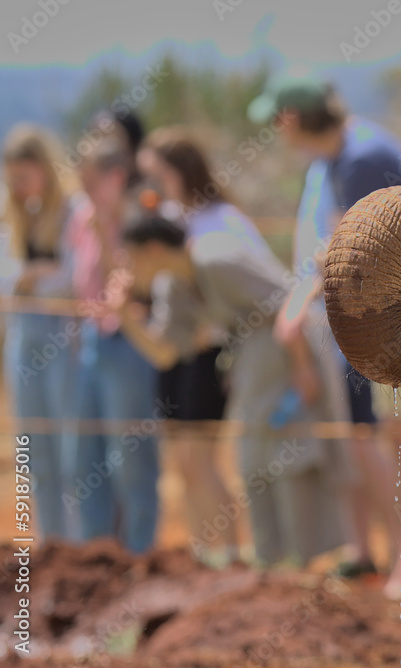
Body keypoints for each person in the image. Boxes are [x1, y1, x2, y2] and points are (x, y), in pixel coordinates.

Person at [248, 76, 401, 597]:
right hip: (377, 325)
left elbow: (357, 248)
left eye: (277, 118)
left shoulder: (361, 159)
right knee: (375, 443)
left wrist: (304, 296)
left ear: (292, 118)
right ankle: (396, 564)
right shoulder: (338, 159)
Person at [114, 199, 356, 568]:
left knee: (294, 459)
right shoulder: (175, 284)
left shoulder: (215, 258)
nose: (130, 269)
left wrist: (303, 369)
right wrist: (125, 317)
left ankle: (305, 566)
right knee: (255, 465)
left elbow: (288, 303)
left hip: (286, 358)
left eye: (132, 258)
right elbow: (165, 353)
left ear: (154, 249)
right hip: (250, 369)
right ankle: (271, 567)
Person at [135, 127, 267, 565]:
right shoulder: (168, 216)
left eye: (156, 174)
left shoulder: (222, 219)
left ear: (179, 170)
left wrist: (214, 329)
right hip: (175, 350)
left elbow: (251, 289)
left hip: (210, 356)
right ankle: (201, 553)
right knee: (182, 462)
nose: (150, 186)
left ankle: (230, 551)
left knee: (204, 459)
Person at [67, 129, 160, 554]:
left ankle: (138, 551)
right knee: (85, 456)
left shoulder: (140, 217)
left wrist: (106, 231)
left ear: (117, 176)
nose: (85, 188)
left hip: (127, 344)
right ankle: (97, 549)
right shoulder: (83, 217)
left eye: (91, 179)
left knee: (131, 457)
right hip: (92, 341)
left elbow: (122, 285)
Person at [0, 124, 84, 542]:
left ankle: (77, 541)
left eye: (23, 174)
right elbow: (7, 278)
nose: (16, 184)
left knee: (70, 442)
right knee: (33, 447)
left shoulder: (72, 210)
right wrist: (35, 274)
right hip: (22, 336)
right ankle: (50, 540)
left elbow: (70, 279)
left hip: (62, 337)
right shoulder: (12, 215)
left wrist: (31, 278)